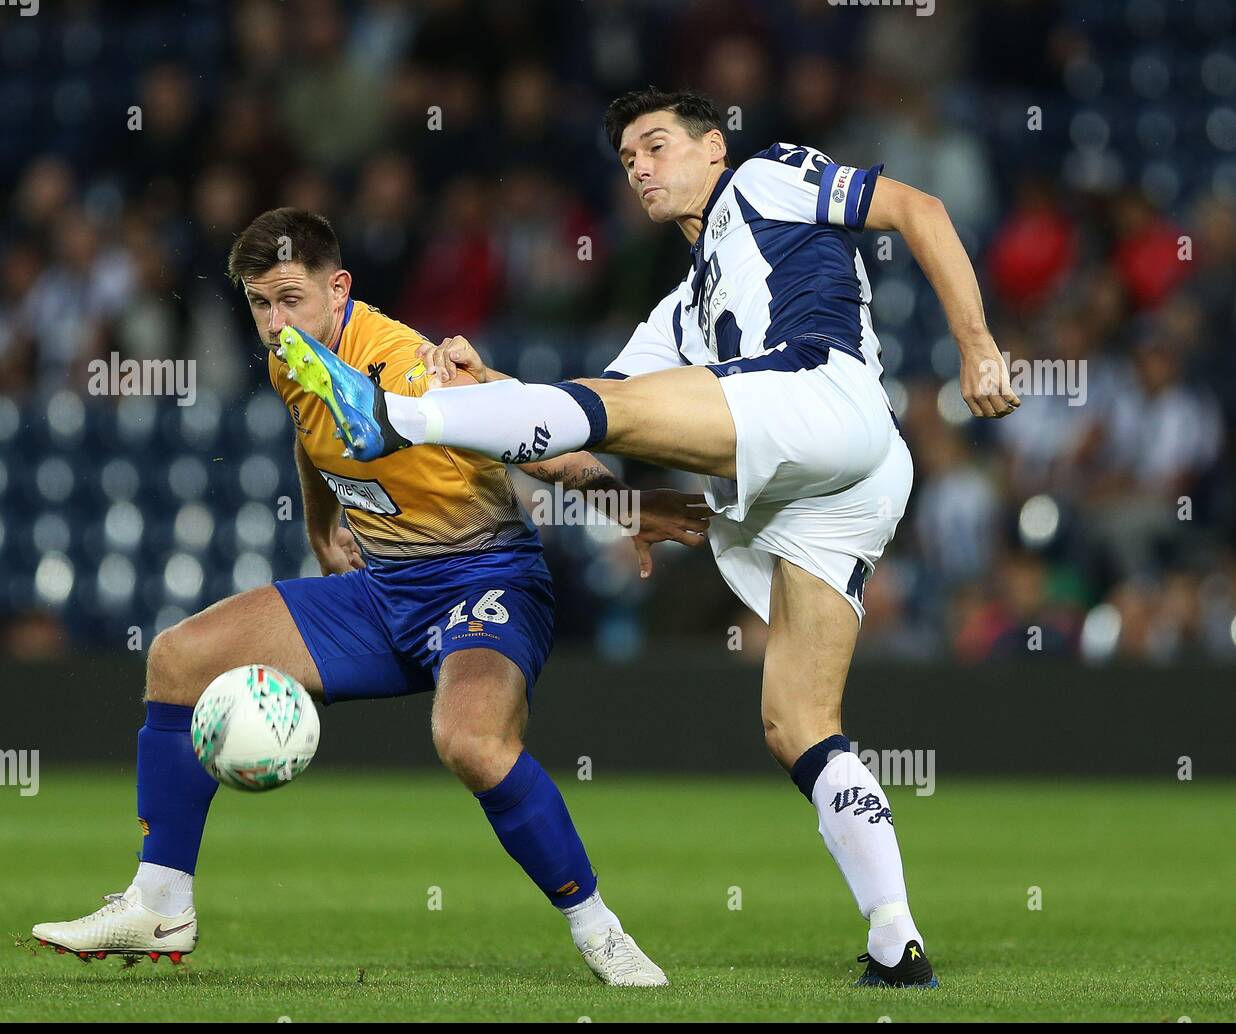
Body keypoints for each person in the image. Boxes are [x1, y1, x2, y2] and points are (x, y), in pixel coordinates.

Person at [281, 89, 1022, 987]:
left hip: (825, 398)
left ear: (713, 148)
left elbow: (919, 207)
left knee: (607, 409)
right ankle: (894, 936)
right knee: (797, 722)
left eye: (657, 145)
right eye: (628, 156)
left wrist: (975, 342)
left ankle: (394, 415)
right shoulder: (682, 310)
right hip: (845, 481)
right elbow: (588, 416)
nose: (640, 167)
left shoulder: (767, 177)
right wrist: (492, 383)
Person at [31, 207, 711, 987]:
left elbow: (537, 444)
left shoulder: (409, 364)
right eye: (259, 304)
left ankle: (600, 931)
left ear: (339, 286)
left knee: (471, 741)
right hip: (383, 590)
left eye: (289, 297)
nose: (274, 320)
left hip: (484, 581)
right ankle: (160, 903)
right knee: (178, 659)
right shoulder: (294, 356)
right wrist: (323, 530)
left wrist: (628, 507)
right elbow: (306, 430)